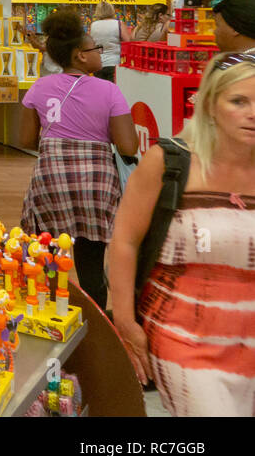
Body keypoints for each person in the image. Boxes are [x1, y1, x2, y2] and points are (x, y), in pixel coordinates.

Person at [108, 53, 255, 414]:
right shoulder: (171, 162)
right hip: (184, 336)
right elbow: (125, 242)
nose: (252, 112)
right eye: (239, 101)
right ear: (209, 104)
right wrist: (125, 321)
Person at [17, 9, 138, 311]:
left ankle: (49, 312)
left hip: (51, 180)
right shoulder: (109, 90)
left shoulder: (39, 87)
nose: (100, 52)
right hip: (97, 185)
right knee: (92, 262)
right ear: (79, 56)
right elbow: (128, 145)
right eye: (95, 48)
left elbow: (25, 140)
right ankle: (94, 321)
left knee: (49, 257)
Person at [88, 1, 131, 82]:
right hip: (114, 63)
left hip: (99, 63)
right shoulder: (118, 24)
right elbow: (128, 42)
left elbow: (91, 43)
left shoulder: (93, 25)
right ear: (112, 10)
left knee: (100, 91)